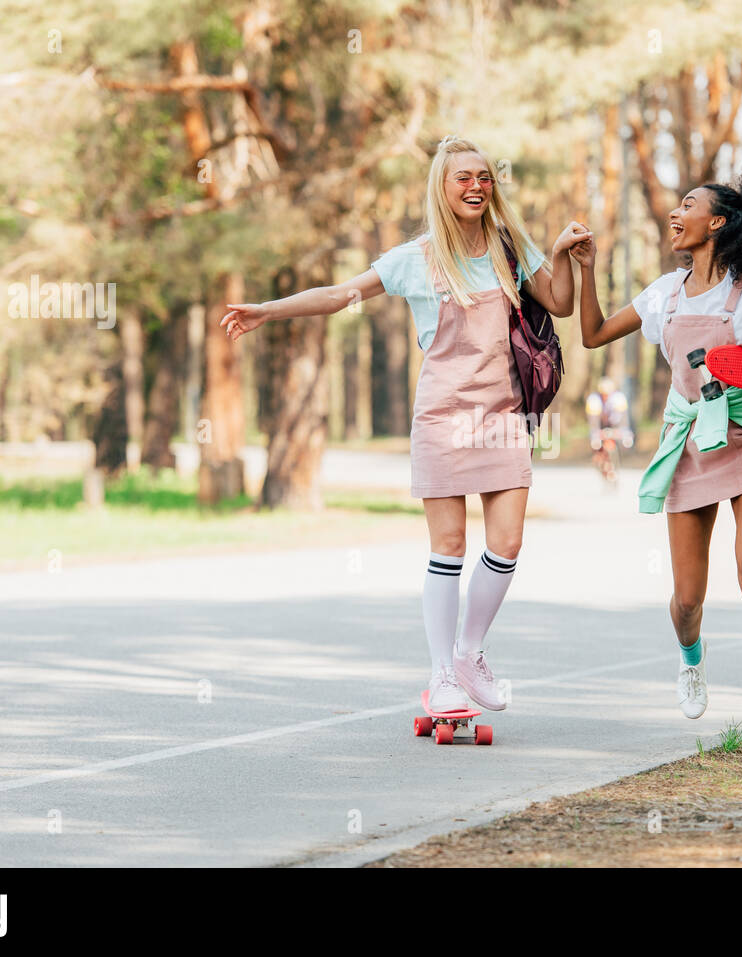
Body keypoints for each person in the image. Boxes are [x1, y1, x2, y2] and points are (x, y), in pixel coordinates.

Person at [220, 135, 591, 714]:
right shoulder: (417, 258)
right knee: (448, 545)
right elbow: (341, 295)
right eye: (462, 177)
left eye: (484, 177)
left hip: (502, 415)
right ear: (442, 189)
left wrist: (567, 256)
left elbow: (560, 304)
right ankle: (442, 673)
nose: (475, 186)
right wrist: (268, 310)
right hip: (443, 416)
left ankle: (469, 653)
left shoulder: (509, 247)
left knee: (508, 541)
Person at [571, 169, 742, 736]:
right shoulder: (663, 293)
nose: (675, 213)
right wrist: (588, 269)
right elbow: (592, 334)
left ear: (715, 221)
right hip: (687, 442)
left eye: (687, 205)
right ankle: (692, 662)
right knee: (687, 600)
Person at [585, 377, 635, 452]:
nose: (606, 396)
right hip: (600, 425)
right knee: (595, 441)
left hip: (615, 425)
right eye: (604, 394)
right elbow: (593, 422)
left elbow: (623, 421)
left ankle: (624, 452)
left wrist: (619, 432)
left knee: (627, 439)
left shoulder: (619, 398)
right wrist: (597, 434)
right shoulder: (594, 400)